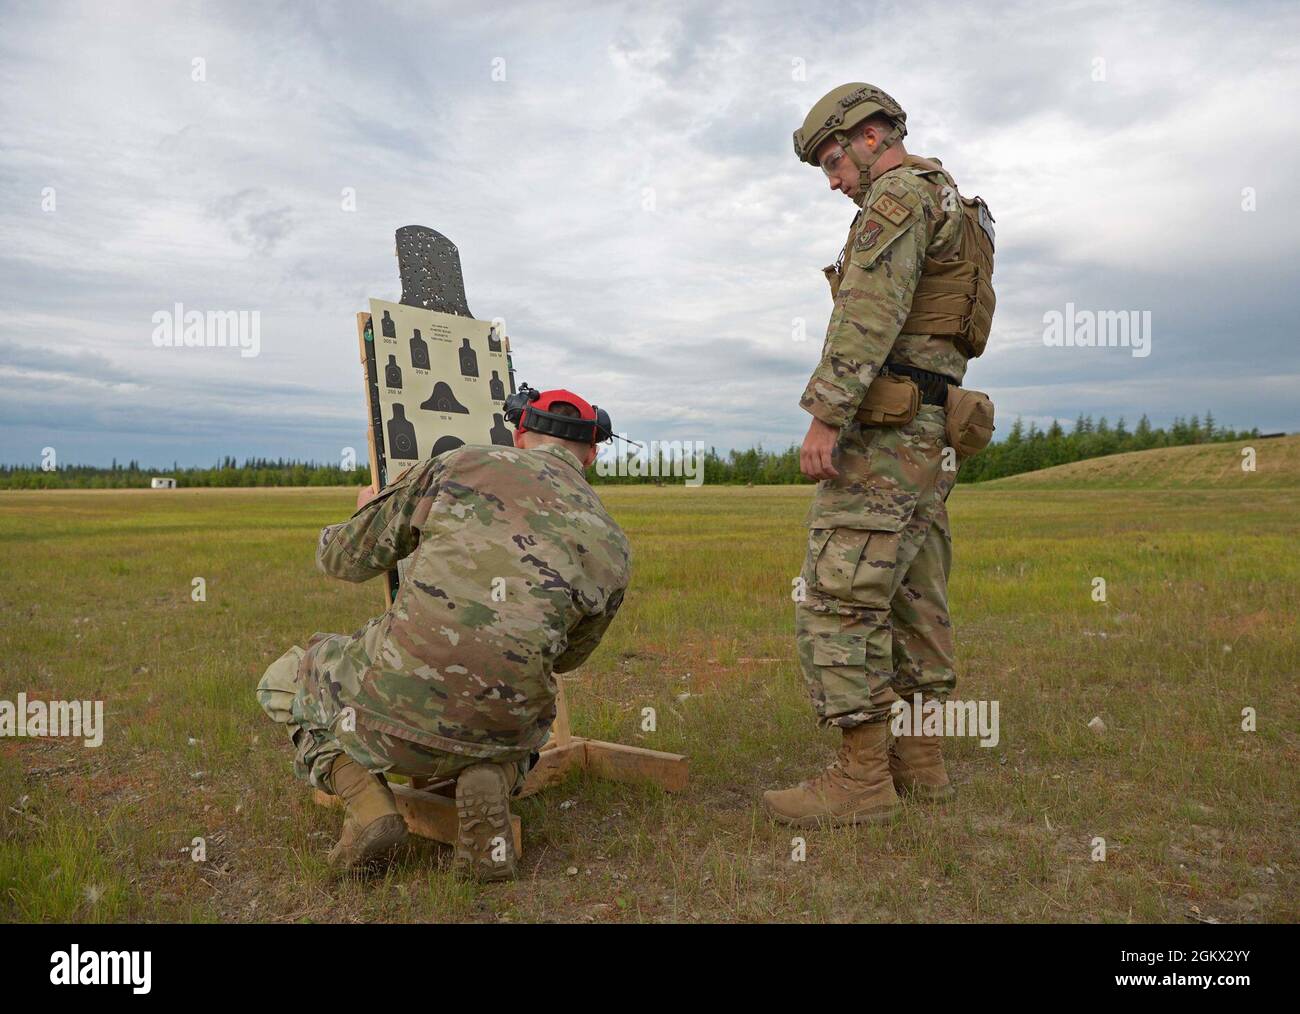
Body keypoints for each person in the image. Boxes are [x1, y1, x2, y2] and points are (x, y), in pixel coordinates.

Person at [256, 386, 632, 880]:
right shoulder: (613, 542)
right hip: (504, 727)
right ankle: (489, 776)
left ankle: (369, 803)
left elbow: (341, 558)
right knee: (526, 705)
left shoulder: (459, 464)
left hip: (392, 711)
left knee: (286, 677)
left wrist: (366, 509)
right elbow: (566, 660)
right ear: (593, 453)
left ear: (520, 434)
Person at [763, 83, 996, 827]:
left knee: (837, 597)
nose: (833, 181)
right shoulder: (954, 199)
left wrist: (825, 418)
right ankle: (919, 764)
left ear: (871, 136)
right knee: (914, 595)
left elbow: (868, 314)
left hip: (890, 436)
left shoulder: (895, 199)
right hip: (935, 429)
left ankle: (862, 781)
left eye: (834, 161)